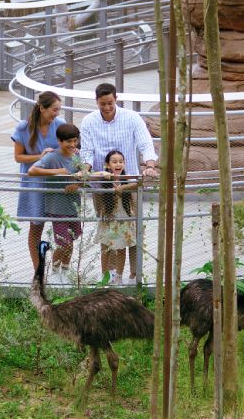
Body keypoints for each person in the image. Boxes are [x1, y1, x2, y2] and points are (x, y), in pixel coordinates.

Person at [79, 82, 158, 283]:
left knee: (132, 229)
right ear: (97, 102)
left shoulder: (131, 118)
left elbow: (145, 142)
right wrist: (86, 170)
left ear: (116, 100)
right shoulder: (88, 121)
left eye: (110, 103)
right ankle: (111, 276)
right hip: (102, 188)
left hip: (128, 185)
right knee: (107, 229)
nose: (107, 107)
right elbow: (87, 151)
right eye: (102, 104)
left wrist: (149, 165)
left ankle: (134, 274)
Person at [11, 91, 65, 269]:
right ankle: (38, 270)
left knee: (62, 228)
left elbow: (67, 150)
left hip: (55, 182)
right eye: (54, 110)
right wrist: (39, 156)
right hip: (34, 183)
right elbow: (18, 157)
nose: (56, 113)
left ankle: (59, 268)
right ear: (42, 108)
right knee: (36, 227)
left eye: (59, 110)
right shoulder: (23, 127)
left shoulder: (60, 126)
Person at [29, 123, 88, 283]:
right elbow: (32, 171)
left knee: (71, 241)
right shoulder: (52, 156)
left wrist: (77, 184)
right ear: (60, 141)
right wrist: (58, 171)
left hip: (73, 206)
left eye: (75, 141)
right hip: (57, 207)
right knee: (64, 243)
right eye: (68, 141)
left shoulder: (76, 156)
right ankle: (54, 273)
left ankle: (65, 271)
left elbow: (85, 176)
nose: (72, 145)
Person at [93, 150, 140, 285]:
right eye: (114, 162)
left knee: (121, 249)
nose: (118, 164)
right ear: (108, 165)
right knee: (105, 249)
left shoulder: (127, 179)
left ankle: (119, 276)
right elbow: (89, 177)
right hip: (107, 220)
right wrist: (103, 173)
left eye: (121, 161)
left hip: (123, 219)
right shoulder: (104, 180)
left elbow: (139, 183)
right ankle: (105, 276)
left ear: (124, 164)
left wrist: (123, 187)